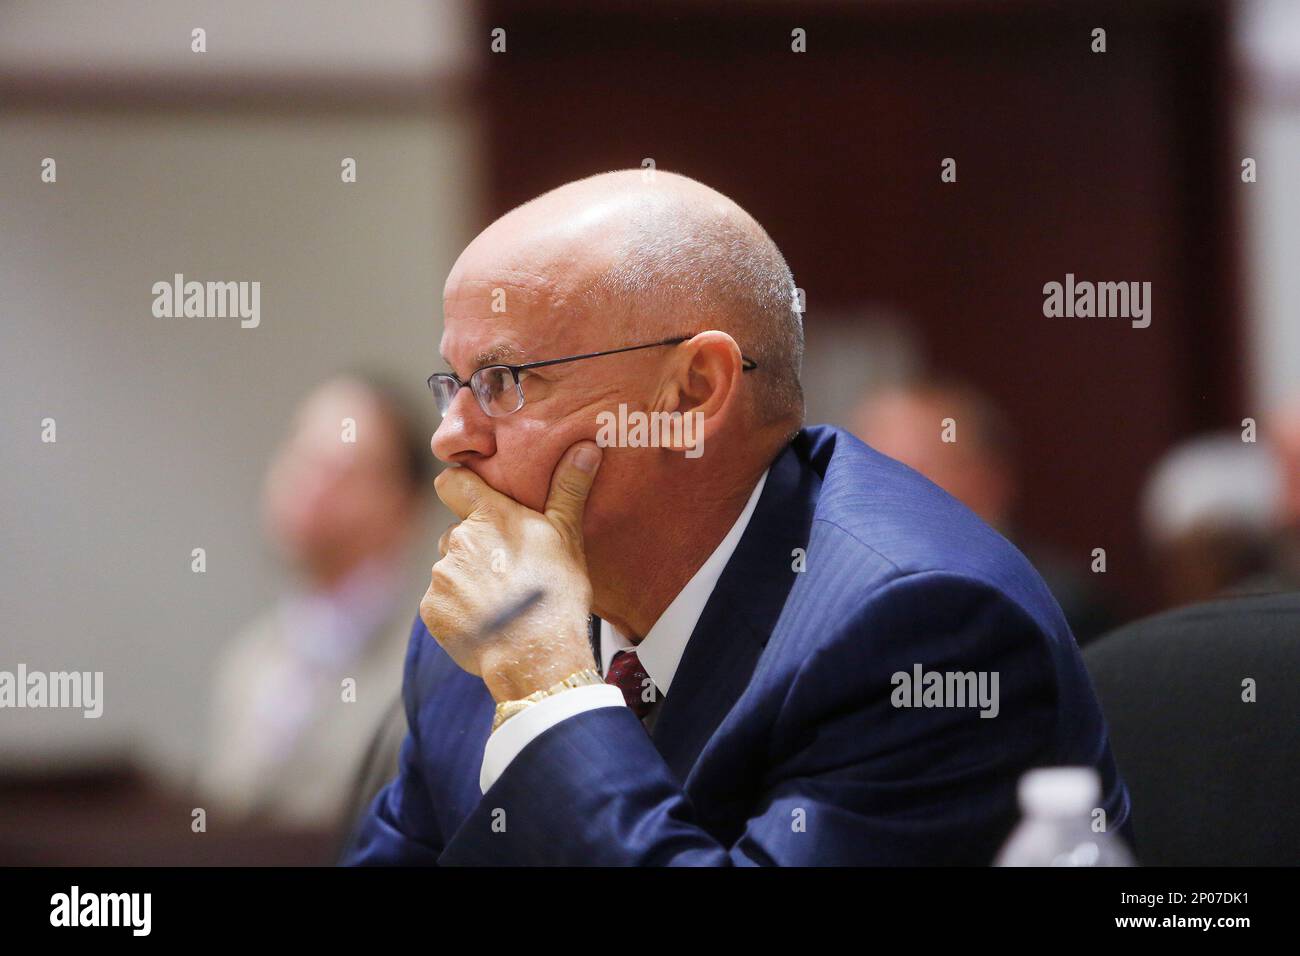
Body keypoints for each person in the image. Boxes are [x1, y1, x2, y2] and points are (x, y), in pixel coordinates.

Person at [342, 170, 1131, 865]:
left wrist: (552, 694)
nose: (450, 435)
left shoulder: (923, 625)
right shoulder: (488, 619)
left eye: (506, 378)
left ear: (693, 392)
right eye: (454, 382)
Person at [198, 374, 430, 830]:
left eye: (340, 470)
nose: (308, 486)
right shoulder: (248, 660)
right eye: (301, 455)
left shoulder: (436, 668)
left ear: (404, 507)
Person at [850, 380, 1118, 644]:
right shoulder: (834, 599)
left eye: (913, 470)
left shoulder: (1057, 605)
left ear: (988, 480)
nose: (883, 493)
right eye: (868, 473)